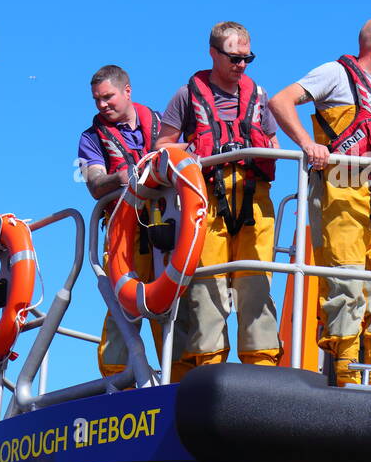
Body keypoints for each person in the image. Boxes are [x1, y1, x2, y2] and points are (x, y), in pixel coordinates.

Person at [268, 18, 371, 386]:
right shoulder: (335, 74)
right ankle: (348, 378)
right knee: (344, 286)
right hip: (341, 195)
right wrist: (307, 142)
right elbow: (281, 100)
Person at [157, 21, 281, 375]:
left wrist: (266, 149)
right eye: (234, 58)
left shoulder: (259, 96)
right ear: (213, 53)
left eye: (247, 59)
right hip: (206, 201)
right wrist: (194, 150)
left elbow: (273, 144)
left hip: (254, 200)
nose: (241, 65)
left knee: (255, 285)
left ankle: (262, 372)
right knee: (207, 290)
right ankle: (207, 372)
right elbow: (162, 146)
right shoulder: (186, 96)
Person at [76, 65, 166, 377]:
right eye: (97, 100)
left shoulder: (162, 124)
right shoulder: (90, 139)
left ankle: (179, 377)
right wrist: (120, 176)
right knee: (123, 307)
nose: (102, 105)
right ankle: (116, 381)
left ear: (127, 91)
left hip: (168, 229)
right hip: (123, 232)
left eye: (108, 97)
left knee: (175, 302)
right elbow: (94, 185)